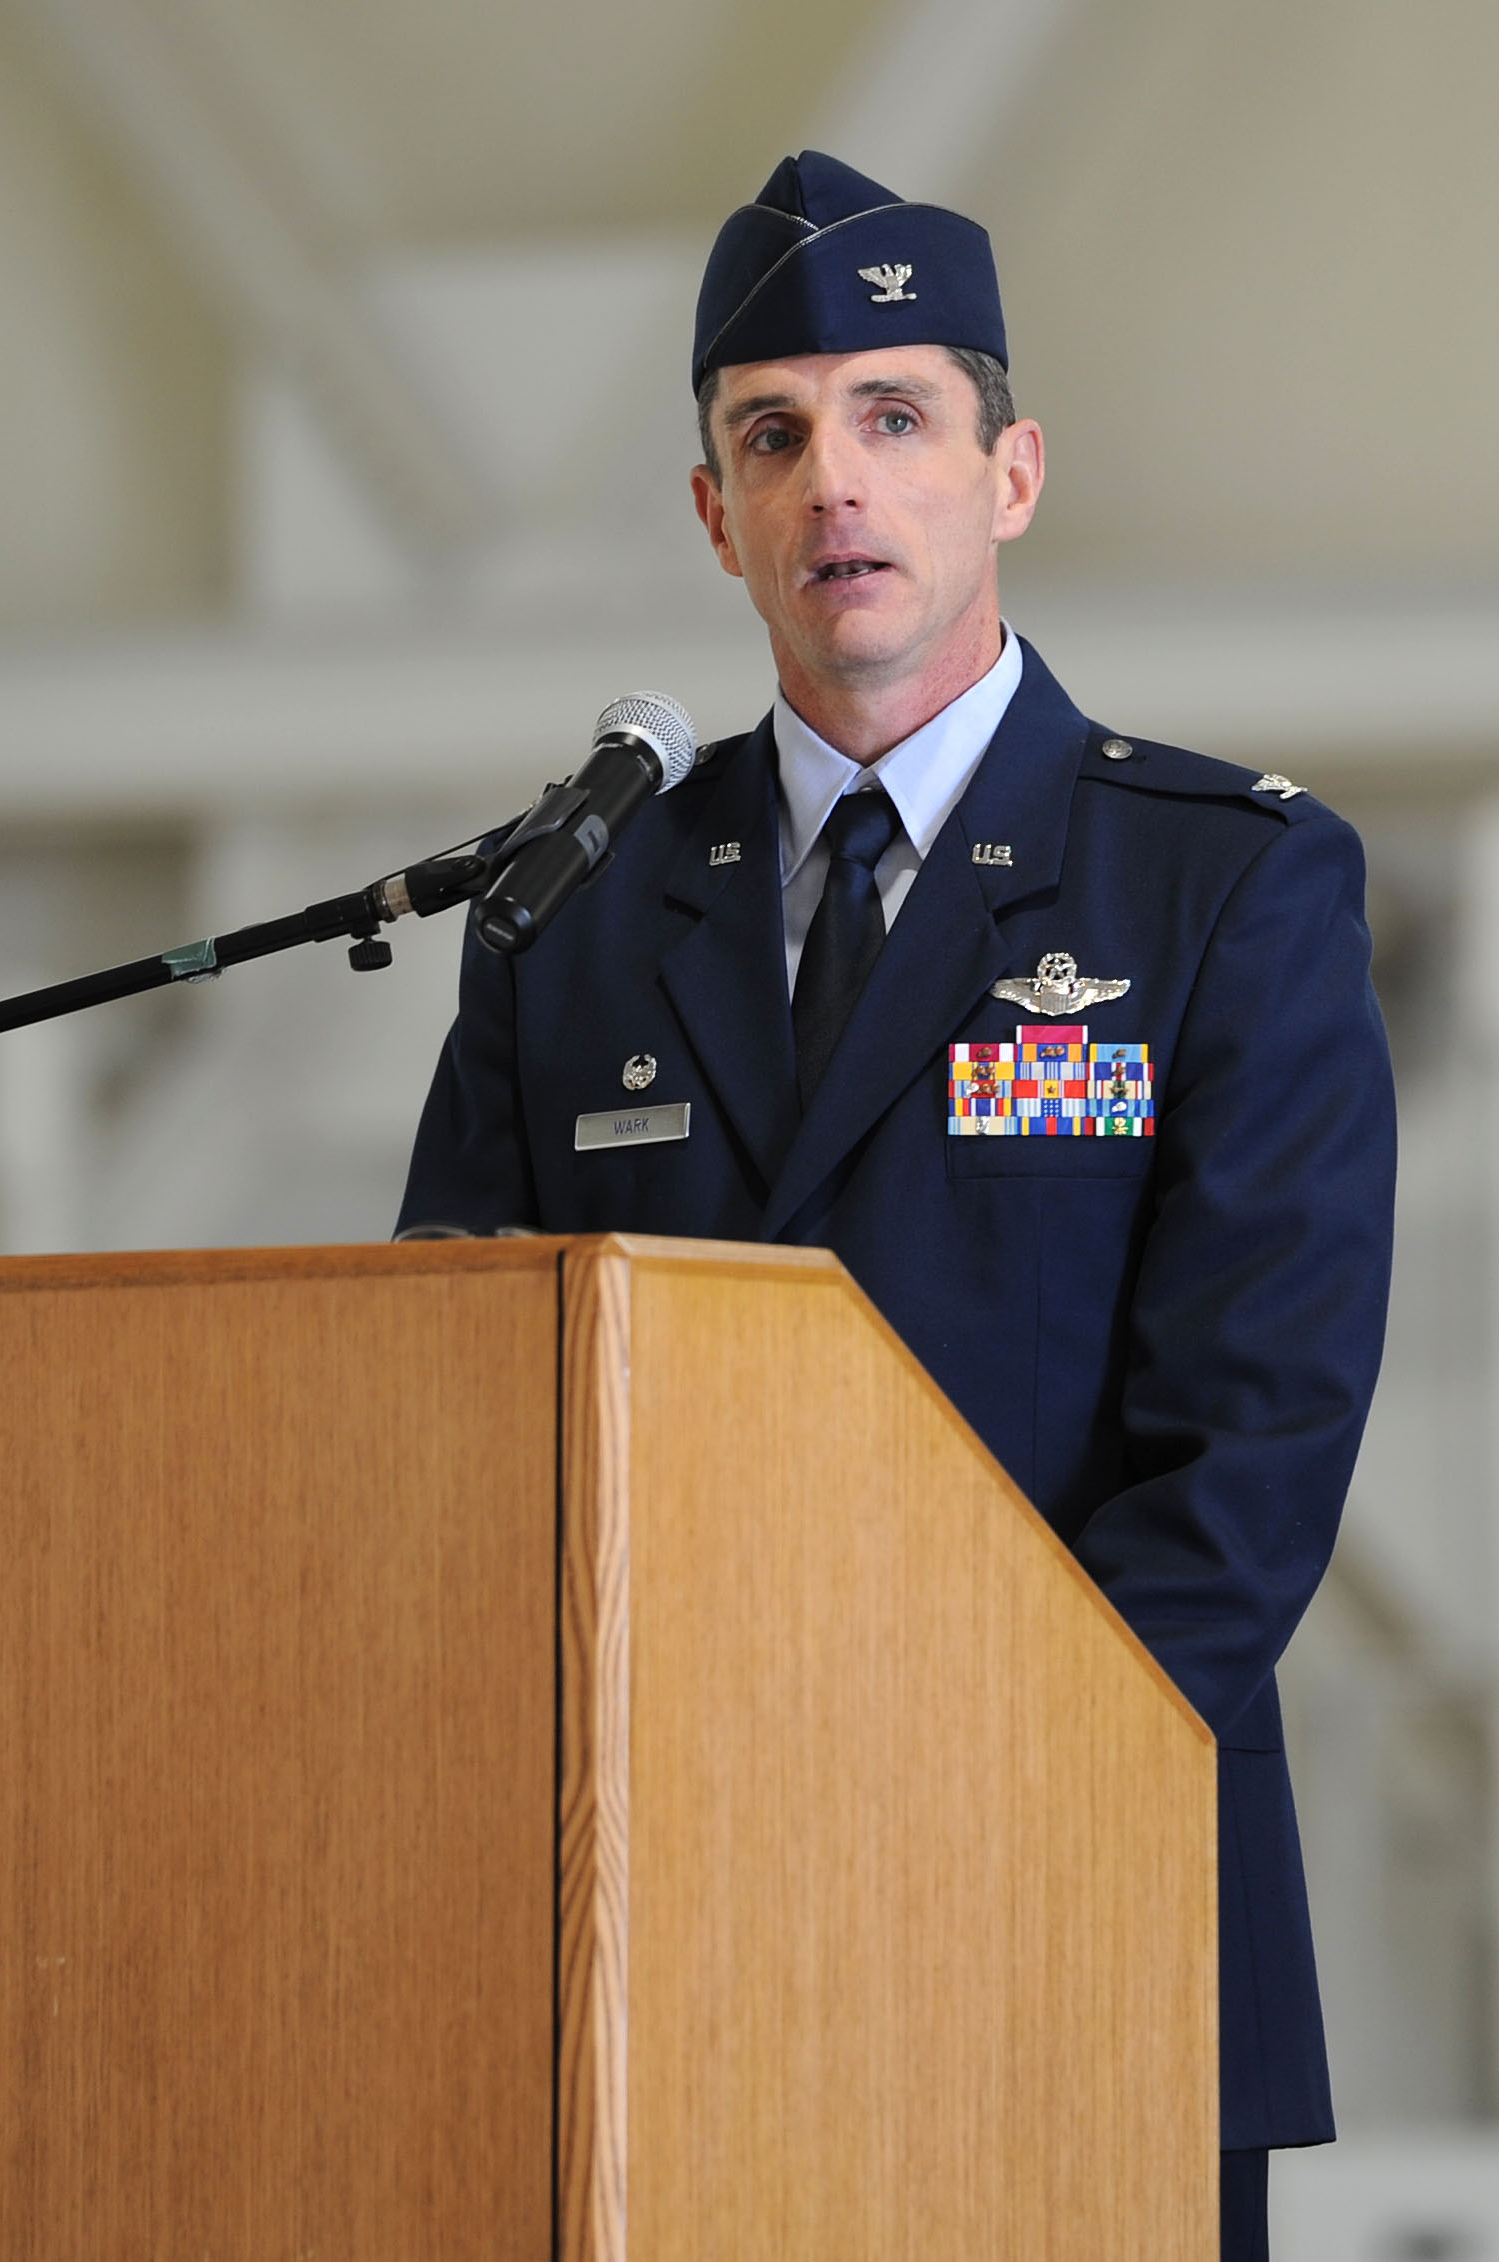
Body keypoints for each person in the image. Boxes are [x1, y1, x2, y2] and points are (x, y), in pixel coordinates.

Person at [396, 150, 1394, 2262]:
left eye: (891, 416)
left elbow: (1248, 1452)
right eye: (769, 433)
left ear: (1007, 472)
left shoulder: (1213, 884)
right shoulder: (566, 924)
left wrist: (929, 1786)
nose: (830, 479)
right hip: (649, 1931)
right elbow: (445, 1412)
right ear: (710, 516)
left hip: (1066, 1911)